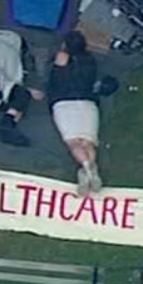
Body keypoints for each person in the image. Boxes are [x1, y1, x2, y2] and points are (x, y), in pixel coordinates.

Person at [47, 32, 103, 194]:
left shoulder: (62, 57)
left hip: (65, 104)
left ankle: (86, 167)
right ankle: (90, 170)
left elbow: (56, 78)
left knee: (73, 142)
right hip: (88, 104)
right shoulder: (90, 60)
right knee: (87, 142)